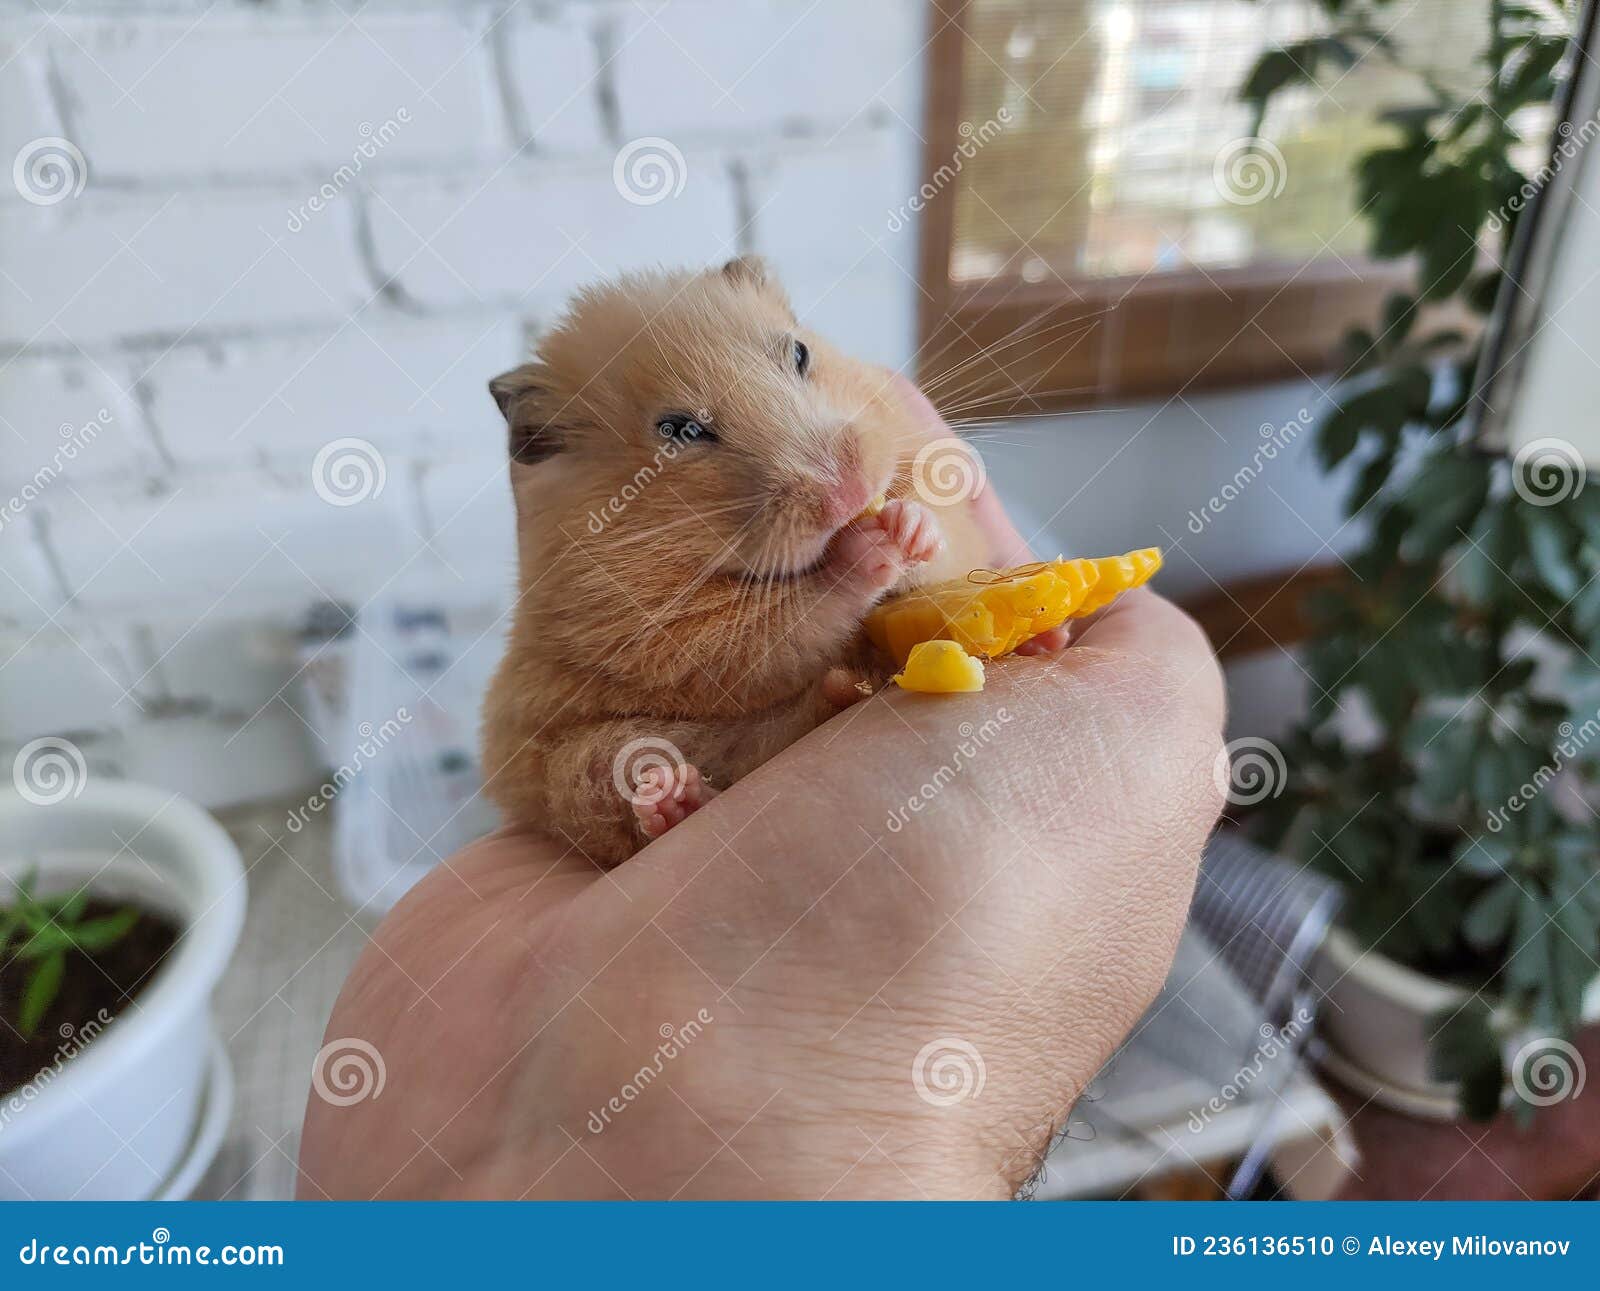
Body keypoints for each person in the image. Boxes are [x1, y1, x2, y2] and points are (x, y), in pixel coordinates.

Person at [297, 386, 1226, 1200]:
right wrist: (846, 581)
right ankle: (667, 805)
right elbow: (698, 665)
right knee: (615, 763)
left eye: (796, 366)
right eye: (687, 432)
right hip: (632, 745)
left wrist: (914, 580)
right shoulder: (621, 582)